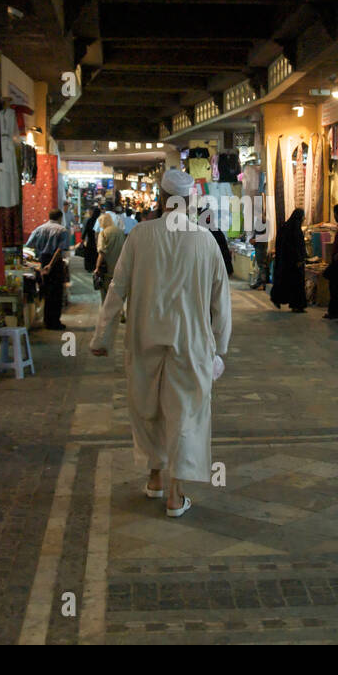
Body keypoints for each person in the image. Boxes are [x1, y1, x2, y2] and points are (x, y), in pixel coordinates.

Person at [91, 168, 231, 517]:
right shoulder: (205, 240)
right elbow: (221, 302)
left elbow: (117, 287)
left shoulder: (140, 236)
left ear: (161, 198)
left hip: (144, 338)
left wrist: (102, 336)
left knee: (147, 407)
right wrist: (219, 347)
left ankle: (154, 478)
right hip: (192, 343)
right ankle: (175, 494)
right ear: (190, 201)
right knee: (185, 414)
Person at [25, 209, 71, 329]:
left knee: (47, 291)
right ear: (60, 217)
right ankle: (54, 322)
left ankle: (47, 320)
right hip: (54, 263)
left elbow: (29, 244)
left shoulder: (39, 229)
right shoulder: (62, 230)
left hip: (42, 260)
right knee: (56, 293)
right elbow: (60, 249)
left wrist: (41, 252)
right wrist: (51, 264)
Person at [269, 208, 307, 313]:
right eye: (303, 216)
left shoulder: (285, 227)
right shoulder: (294, 229)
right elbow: (295, 246)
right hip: (295, 262)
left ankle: (278, 299)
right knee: (297, 283)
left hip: (286, 261)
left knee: (284, 281)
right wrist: (299, 259)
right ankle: (296, 305)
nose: (304, 218)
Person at [95, 210, 127, 313]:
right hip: (120, 267)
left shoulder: (103, 233)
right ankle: (121, 311)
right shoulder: (120, 232)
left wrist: (97, 267)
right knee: (118, 291)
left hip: (107, 268)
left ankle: (107, 312)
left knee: (105, 292)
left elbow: (102, 252)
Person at [80, 206, 100, 274]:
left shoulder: (89, 220)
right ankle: (95, 267)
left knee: (89, 254)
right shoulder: (99, 220)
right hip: (97, 241)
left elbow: (85, 230)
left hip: (90, 240)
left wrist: (82, 239)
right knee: (95, 254)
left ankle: (89, 267)